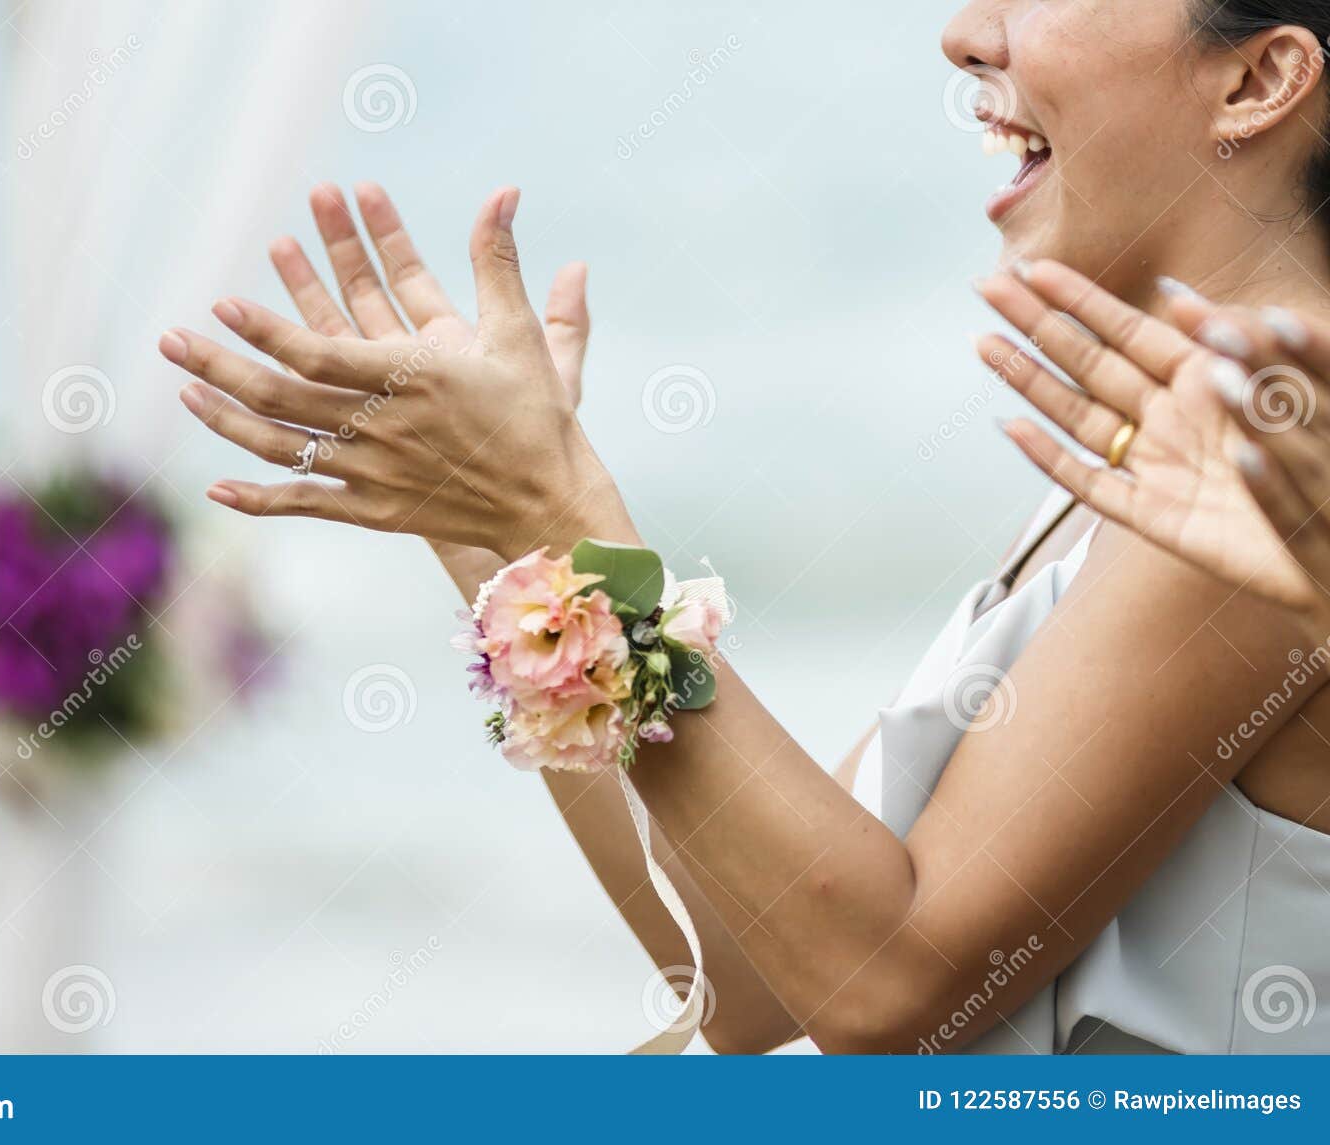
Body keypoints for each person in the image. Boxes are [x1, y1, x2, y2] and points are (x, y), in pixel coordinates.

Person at [157, 1, 1330, 1053]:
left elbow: (885, 994)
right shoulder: (1166, 457)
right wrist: (514, 543)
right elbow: (746, 973)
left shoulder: (1273, 472)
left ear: (1257, 80)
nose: (967, 31)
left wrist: (560, 506)